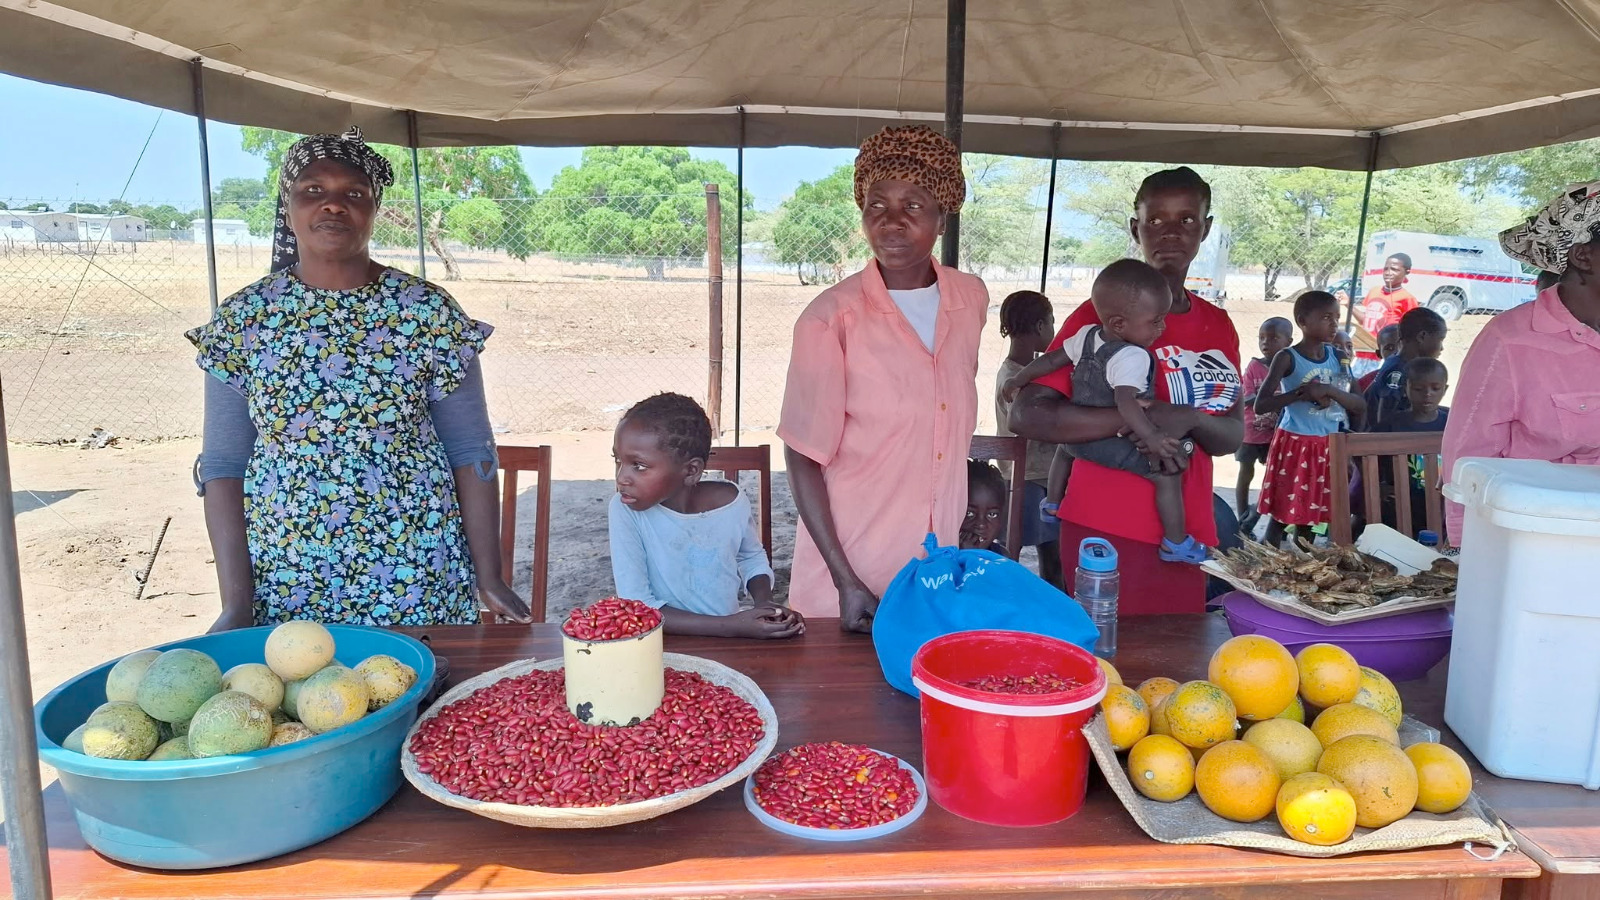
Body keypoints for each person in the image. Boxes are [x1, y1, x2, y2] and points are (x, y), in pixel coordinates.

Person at [188, 127, 531, 630]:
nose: (333, 206)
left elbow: (471, 449)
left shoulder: (426, 312)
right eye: (313, 191)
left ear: (374, 209)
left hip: (415, 569)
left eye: (354, 193)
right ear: (287, 208)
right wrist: (236, 603)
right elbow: (223, 463)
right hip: (287, 579)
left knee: (420, 698)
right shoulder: (244, 319)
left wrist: (489, 575)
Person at [779, 125, 987, 632]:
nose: (891, 223)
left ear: (942, 214)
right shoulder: (831, 318)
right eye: (877, 205)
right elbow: (803, 456)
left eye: (913, 205)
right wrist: (845, 580)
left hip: (935, 573)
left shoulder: (970, 299)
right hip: (853, 578)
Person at [1009, 167, 1244, 614]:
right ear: (1135, 228)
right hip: (1104, 530)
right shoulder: (1102, 316)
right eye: (1155, 221)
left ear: (1206, 229)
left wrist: (1191, 417)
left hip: (1186, 535)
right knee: (1108, 668)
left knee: (1175, 669)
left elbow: (1232, 435)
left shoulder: (1218, 325)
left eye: (1187, 220)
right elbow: (1029, 415)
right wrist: (1139, 415)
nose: (1170, 233)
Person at [1003, 260, 1206, 562]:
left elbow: (1050, 361)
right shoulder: (1133, 356)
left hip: (1078, 440)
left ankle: (1053, 503)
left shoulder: (1085, 336)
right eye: (1156, 321)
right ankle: (1175, 542)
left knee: (1064, 450)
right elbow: (1126, 404)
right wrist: (1151, 437)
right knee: (1166, 476)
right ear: (1119, 324)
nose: (1162, 328)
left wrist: (1019, 378)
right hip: (1111, 442)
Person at [1444, 181, 1600, 544]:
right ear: (1583, 257)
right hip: (1539, 540)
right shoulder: (1509, 341)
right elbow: (1467, 461)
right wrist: (1467, 554)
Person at [608, 393, 803, 639]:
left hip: (731, 640)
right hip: (660, 646)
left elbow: (751, 557)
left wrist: (764, 603)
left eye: (639, 466)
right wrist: (734, 626)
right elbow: (638, 606)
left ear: (691, 471)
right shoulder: (624, 510)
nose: (621, 477)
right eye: (618, 461)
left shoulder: (732, 503)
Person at [1254, 291, 1368, 547]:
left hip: (1328, 445)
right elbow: (1262, 404)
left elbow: (1359, 404)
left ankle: (1302, 566)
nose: (1334, 324)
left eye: (1337, 317)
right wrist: (1299, 394)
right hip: (1296, 444)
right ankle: (1268, 561)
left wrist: (1329, 391)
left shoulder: (1339, 358)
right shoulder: (1287, 358)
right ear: (1303, 321)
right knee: (1282, 514)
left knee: (1310, 515)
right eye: (1326, 317)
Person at [992, 290, 1063, 585]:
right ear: (1039, 327)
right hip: (1030, 478)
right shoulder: (1017, 380)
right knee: (1026, 555)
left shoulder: (1014, 373)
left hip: (1033, 476)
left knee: (1051, 554)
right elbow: (1038, 425)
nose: (1053, 331)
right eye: (1051, 323)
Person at [1371, 358, 1450, 535]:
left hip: (1441, 506)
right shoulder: (1390, 425)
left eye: (1435, 388)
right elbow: (1365, 454)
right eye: (1418, 389)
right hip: (1400, 505)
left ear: (1445, 389)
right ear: (1406, 388)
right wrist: (1379, 485)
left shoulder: (1453, 424)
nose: (1427, 394)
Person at [1237, 317, 1294, 532]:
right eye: (1261, 337)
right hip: (1251, 431)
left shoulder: (1289, 367)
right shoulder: (1253, 367)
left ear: (1288, 341)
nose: (1265, 343)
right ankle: (1242, 518)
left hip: (1277, 434)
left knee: (1274, 477)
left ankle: (1259, 512)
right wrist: (1274, 399)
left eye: (1273, 338)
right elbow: (1247, 399)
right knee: (1246, 471)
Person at [1363, 308, 1447, 430]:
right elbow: (1385, 418)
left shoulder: (1396, 362)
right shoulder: (1397, 371)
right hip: (1386, 442)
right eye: (1440, 340)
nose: (1442, 348)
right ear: (1422, 336)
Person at [1359, 253, 1419, 336]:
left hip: (1386, 346)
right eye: (1386, 269)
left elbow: (1412, 328)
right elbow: (1365, 320)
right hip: (1366, 345)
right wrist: (1348, 303)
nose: (1388, 273)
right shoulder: (1374, 291)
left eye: (1394, 269)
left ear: (1407, 271)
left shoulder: (1408, 298)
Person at [960, 459, 1008, 554]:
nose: (981, 524)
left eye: (992, 514)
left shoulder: (1002, 557)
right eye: (969, 513)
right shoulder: (939, 557)